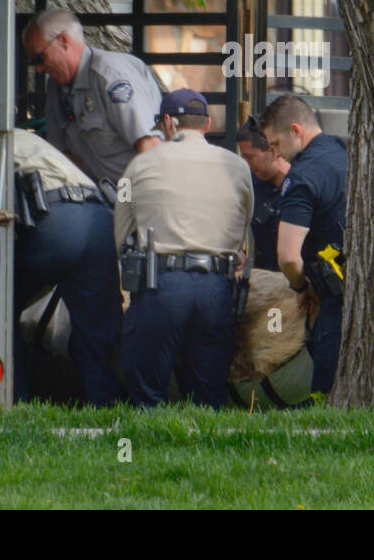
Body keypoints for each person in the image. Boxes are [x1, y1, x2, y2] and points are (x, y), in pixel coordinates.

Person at [116, 89, 253, 408]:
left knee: (147, 394)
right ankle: (207, 453)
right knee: (209, 398)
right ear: (206, 126)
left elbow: (123, 234)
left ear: (168, 123)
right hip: (216, 289)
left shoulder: (140, 165)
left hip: (159, 284)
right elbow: (244, 227)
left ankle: (147, 452)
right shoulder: (238, 166)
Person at [12, 129, 123, 406]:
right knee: (96, 330)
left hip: (53, 219)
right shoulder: (27, 139)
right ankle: (108, 411)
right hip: (99, 218)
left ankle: (12, 405)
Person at [259, 93, 348, 397]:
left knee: (325, 389)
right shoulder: (343, 150)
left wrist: (301, 287)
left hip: (333, 295)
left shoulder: (301, 177)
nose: (275, 154)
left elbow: (287, 257)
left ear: (296, 131)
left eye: (276, 144)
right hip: (366, 289)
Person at [23, 9, 161, 186]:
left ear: (64, 41)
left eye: (39, 58)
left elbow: (151, 148)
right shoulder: (55, 88)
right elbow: (62, 158)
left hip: (136, 194)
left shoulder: (110, 76)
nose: (39, 69)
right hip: (98, 197)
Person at [235, 115, 290, 272]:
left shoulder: (301, 183)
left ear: (273, 151)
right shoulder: (249, 184)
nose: (246, 163)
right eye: (243, 157)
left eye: (250, 157)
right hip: (265, 275)